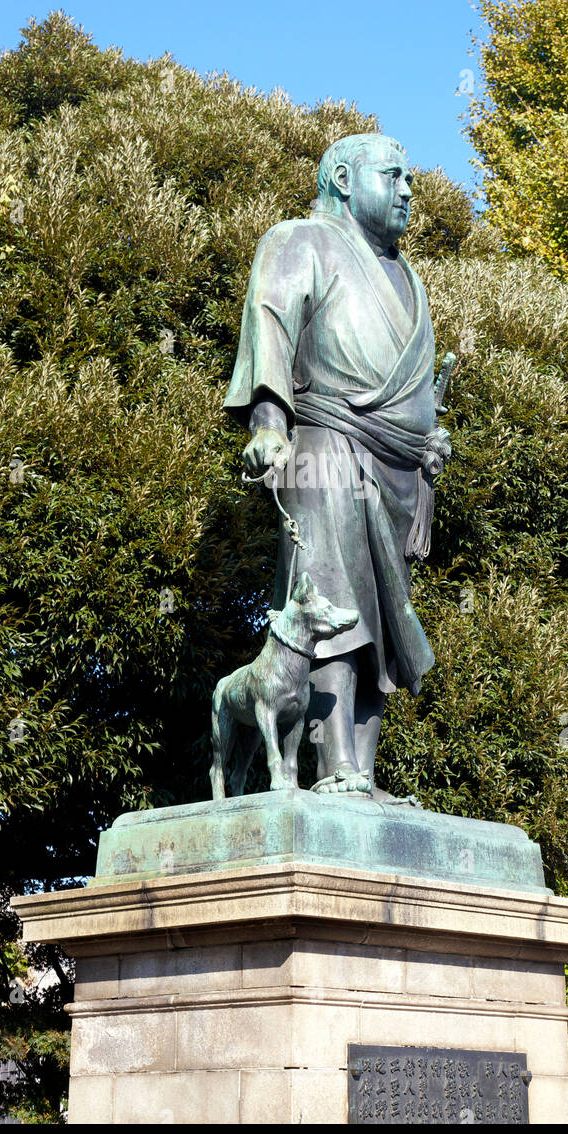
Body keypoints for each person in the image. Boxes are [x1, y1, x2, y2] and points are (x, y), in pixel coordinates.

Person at [225, 133, 450, 796]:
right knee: (332, 596)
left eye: (411, 178)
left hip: (397, 470)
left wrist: (429, 440)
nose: (409, 190)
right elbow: (271, 320)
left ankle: (364, 772)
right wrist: (270, 423)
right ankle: (336, 766)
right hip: (325, 443)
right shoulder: (299, 240)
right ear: (346, 179)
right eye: (394, 176)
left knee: (380, 624)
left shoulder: (406, 274)